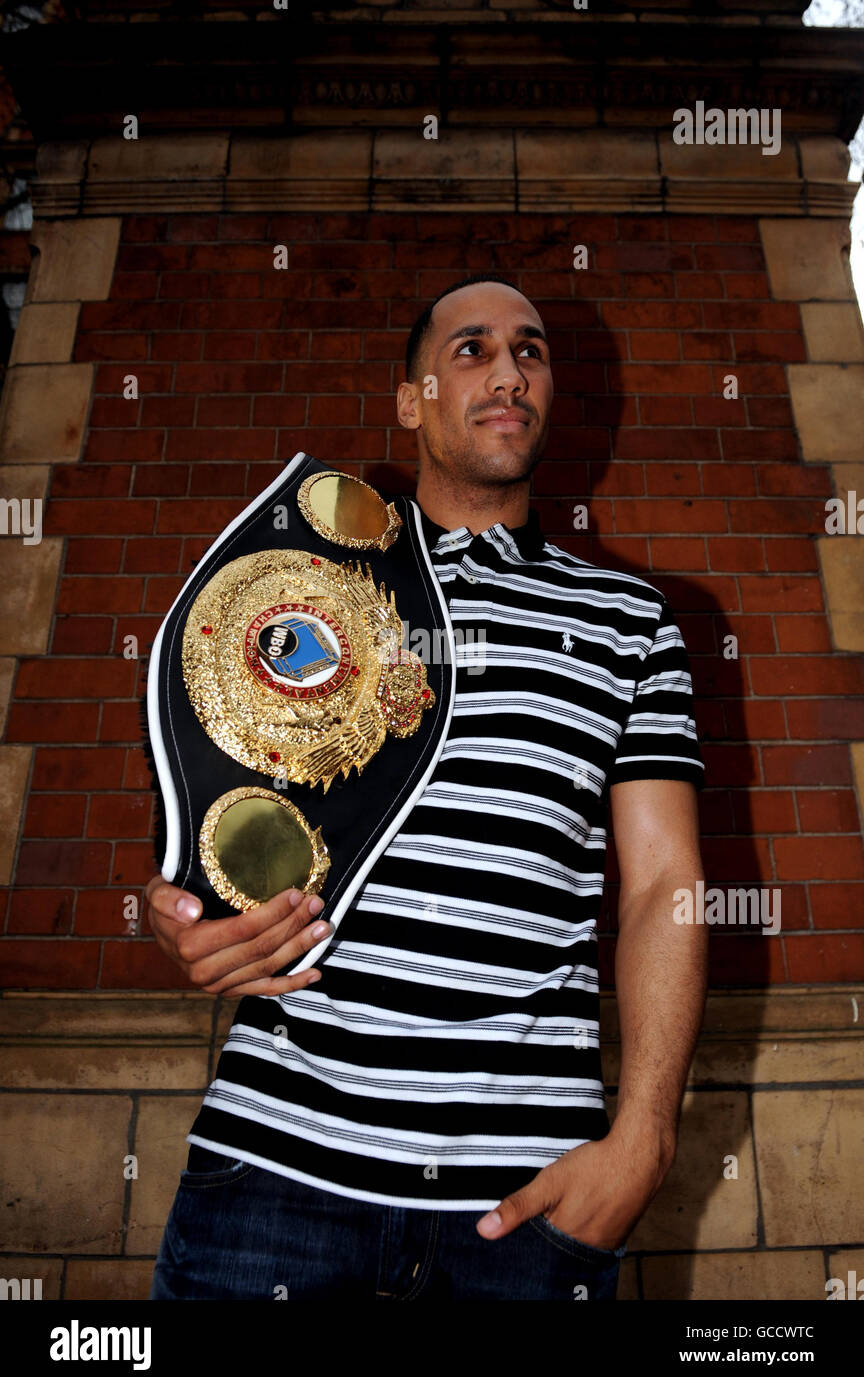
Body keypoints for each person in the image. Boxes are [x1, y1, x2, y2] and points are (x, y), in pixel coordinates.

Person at [146, 273, 707, 1301]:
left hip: (525, 1202)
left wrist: (647, 1139)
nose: (509, 373)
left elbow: (665, 885)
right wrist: (179, 912)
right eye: (472, 349)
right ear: (412, 400)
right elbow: (213, 815)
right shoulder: (309, 588)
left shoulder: (633, 621)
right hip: (272, 1183)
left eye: (532, 352)